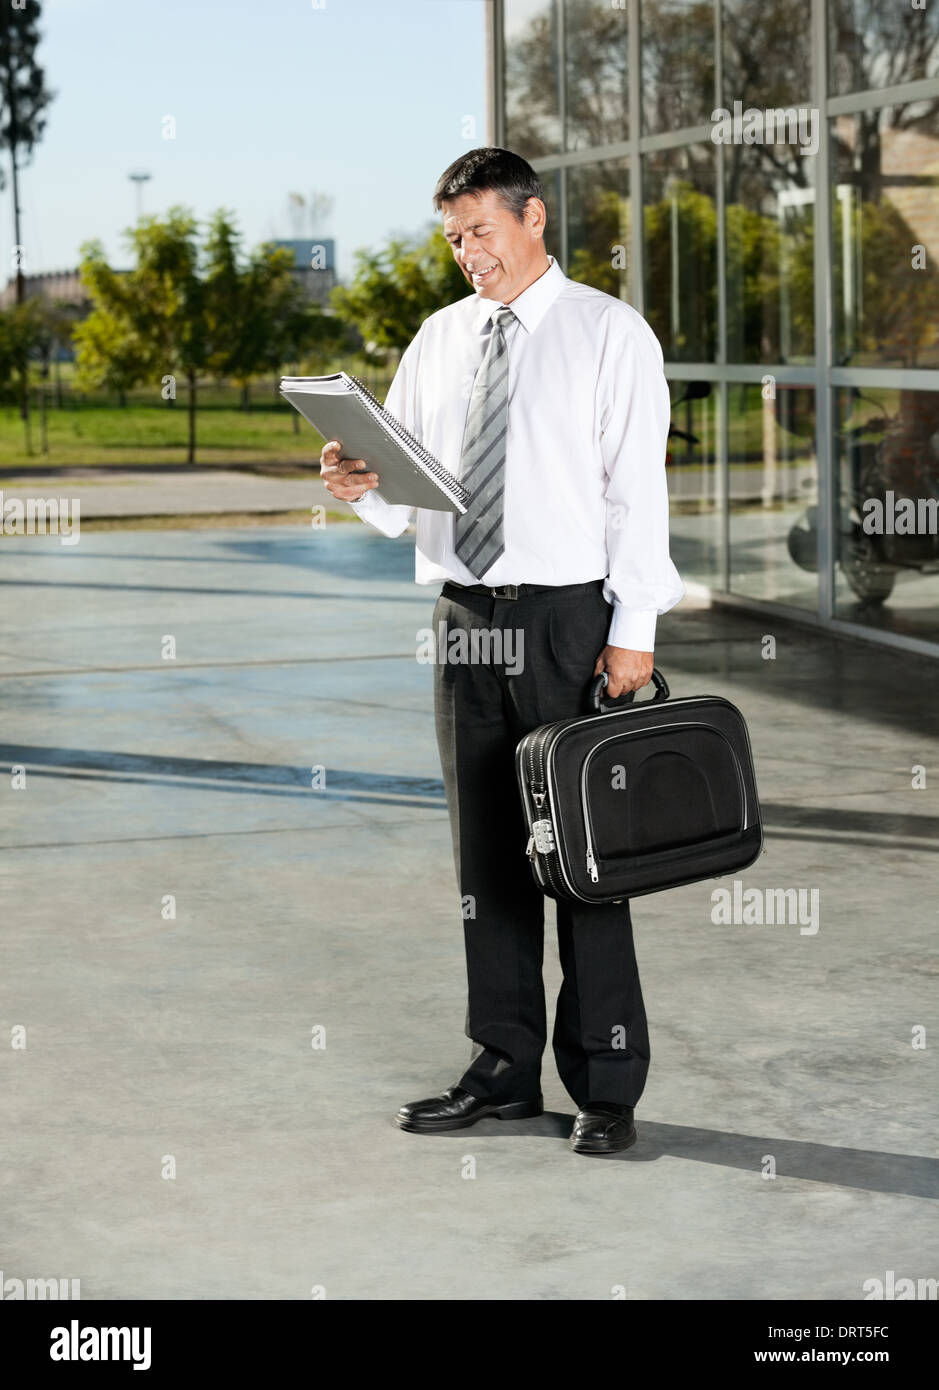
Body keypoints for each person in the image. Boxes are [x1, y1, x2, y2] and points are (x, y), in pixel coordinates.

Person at [321, 148, 684, 1156]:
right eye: (451, 237)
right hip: (464, 619)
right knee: (489, 853)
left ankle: (607, 1083)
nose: (465, 252)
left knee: (583, 855)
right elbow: (412, 487)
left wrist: (633, 634)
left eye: (479, 230)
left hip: (570, 621)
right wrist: (365, 487)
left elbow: (634, 497)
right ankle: (504, 1065)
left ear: (532, 218)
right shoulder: (439, 339)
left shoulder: (609, 334)